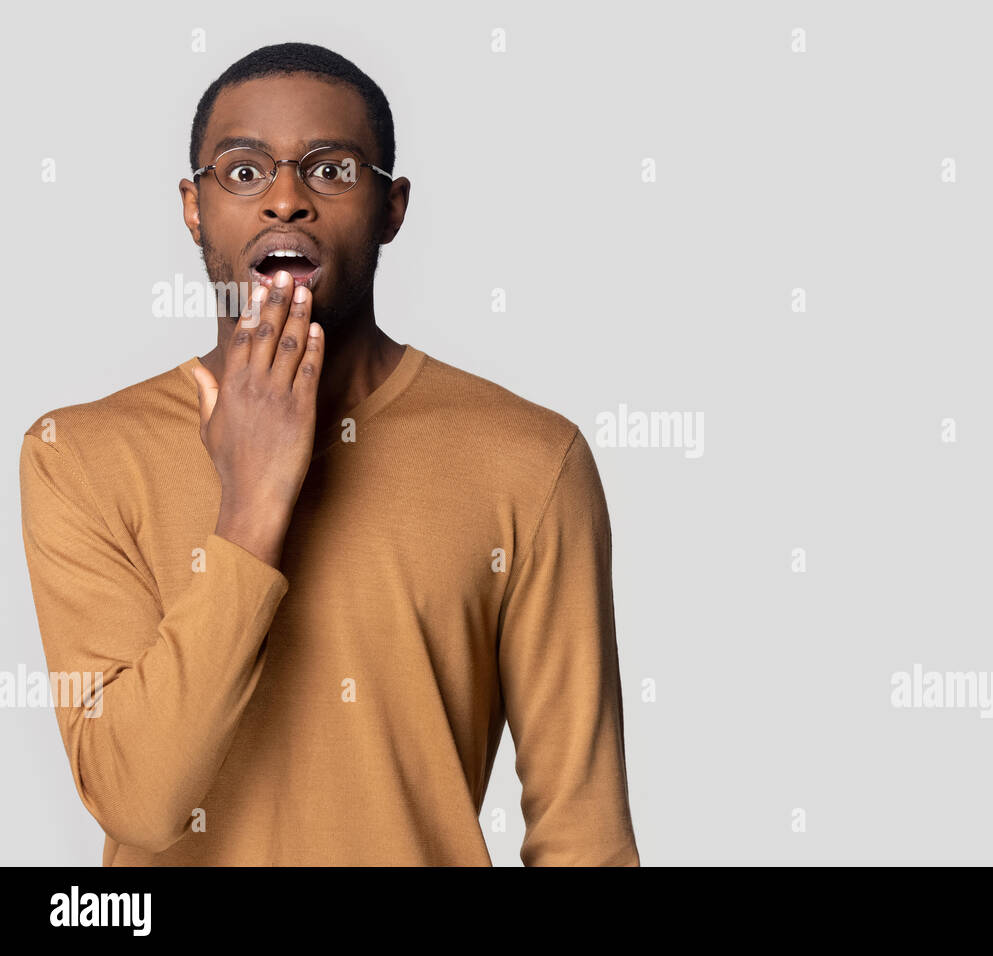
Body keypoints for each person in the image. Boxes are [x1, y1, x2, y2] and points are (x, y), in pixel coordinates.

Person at [17, 42, 640, 866]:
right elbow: (139, 802)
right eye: (242, 172)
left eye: (331, 169)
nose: (285, 199)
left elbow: (585, 836)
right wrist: (250, 508)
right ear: (192, 207)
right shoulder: (80, 456)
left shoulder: (529, 458)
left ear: (392, 208)